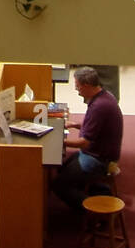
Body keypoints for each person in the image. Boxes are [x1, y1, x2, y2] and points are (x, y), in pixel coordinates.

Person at [52, 66, 123, 210]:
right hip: (100, 152)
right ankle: (99, 190)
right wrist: (76, 125)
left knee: (58, 185)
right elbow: (96, 127)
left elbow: (84, 143)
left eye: (78, 86)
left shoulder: (99, 106)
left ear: (87, 86)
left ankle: (93, 213)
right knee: (61, 168)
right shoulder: (104, 96)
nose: (76, 90)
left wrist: (59, 142)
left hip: (98, 159)